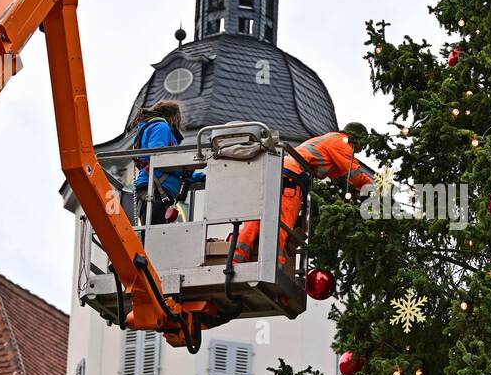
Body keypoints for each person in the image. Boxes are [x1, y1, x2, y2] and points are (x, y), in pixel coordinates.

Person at [231, 123, 374, 267]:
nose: (358, 152)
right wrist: (375, 190)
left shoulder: (328, 139)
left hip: (276, 171)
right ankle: (275, 268)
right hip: (291, 179)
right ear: (357, 139)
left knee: (256, 220)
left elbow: (339, 175)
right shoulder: (341, 142)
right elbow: (354, 173)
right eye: (361, 147)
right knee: (281, 224)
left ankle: (235, 262)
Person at [129, 100, 203, 226]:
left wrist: (202, 176)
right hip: (155, 191)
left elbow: (172, 171)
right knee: (155, 239)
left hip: (157, 189)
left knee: (156, 237)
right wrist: (185, 166)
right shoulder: (161, 127)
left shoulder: (156, 128)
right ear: (174, 117)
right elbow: (159, 157)